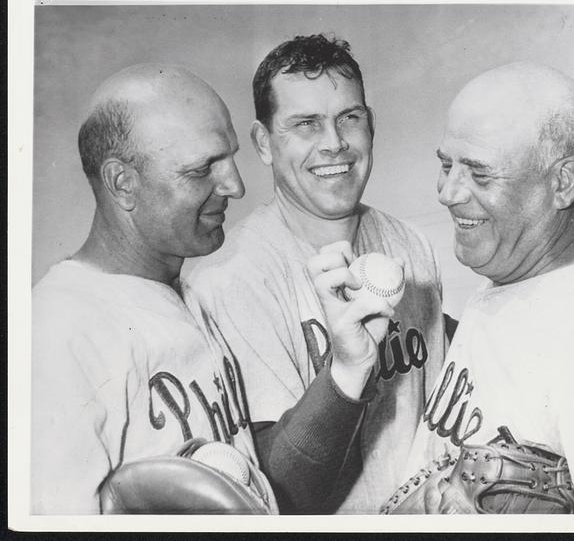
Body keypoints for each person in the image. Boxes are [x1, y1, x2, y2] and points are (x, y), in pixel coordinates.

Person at [31, 64, 392, 515]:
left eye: (230, 158)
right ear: (123, 183)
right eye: (201, 170)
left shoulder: (187, 295)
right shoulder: (58, 332)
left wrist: (347, 369)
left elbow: (267, 498)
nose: (235, 186)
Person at [186, 35, 448, 513]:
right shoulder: (227, 281)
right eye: (305, 124)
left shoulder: (412, 245)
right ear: (264, 143)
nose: (334, 143)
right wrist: (346, 372)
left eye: (350, 118)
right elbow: (275, 498)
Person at [381, 62, 574, 514]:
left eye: (480, 175)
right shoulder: (502, 284)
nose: (448, 192)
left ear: (562, 182)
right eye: (446, 165)